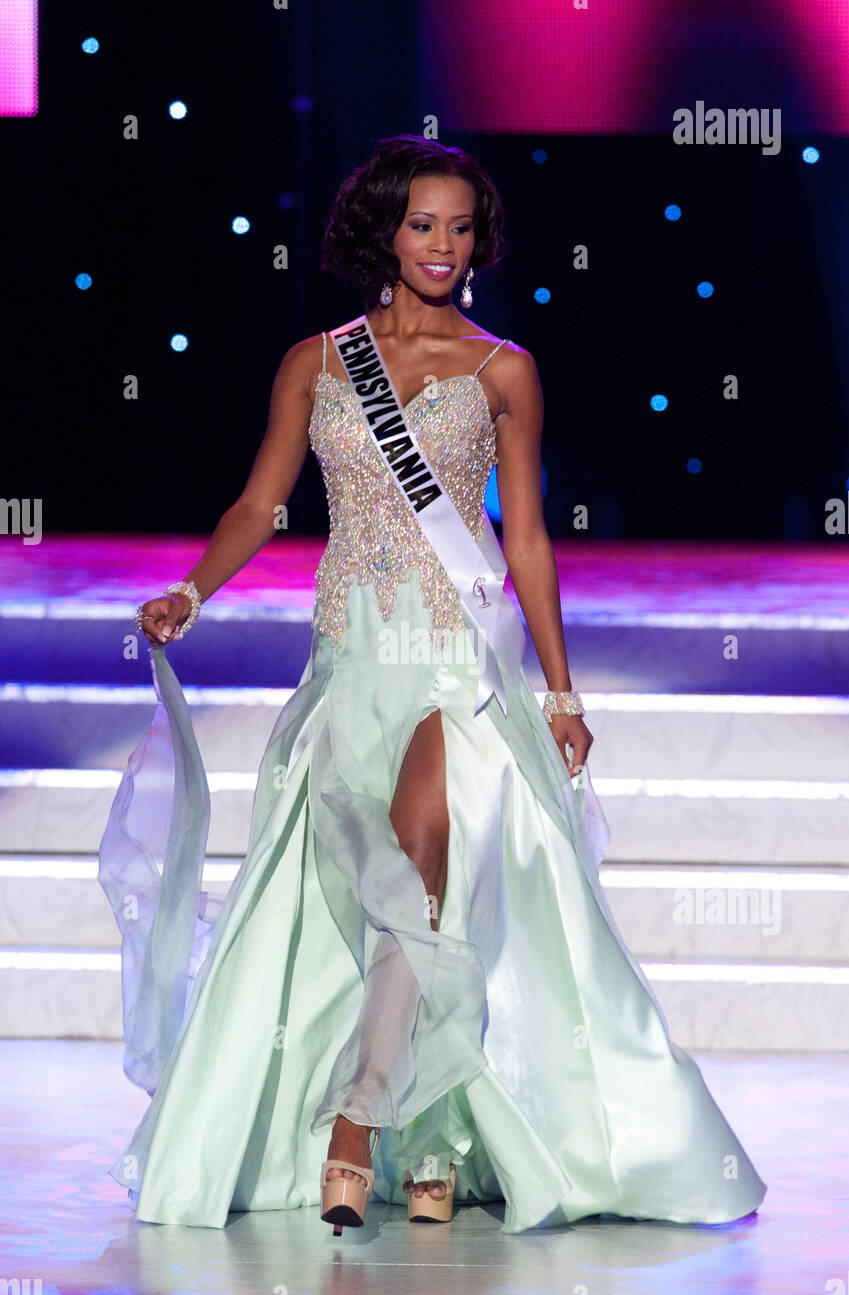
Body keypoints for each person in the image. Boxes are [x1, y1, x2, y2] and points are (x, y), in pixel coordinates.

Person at [99, 133, 766, 1236]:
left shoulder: (503, 368)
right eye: (423, 225)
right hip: (351, 664)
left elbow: (533, 541)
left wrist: (561, 694)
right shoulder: (316, 362)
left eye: (461, 227)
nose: (445, 246)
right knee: (401, 903)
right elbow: (262, 505)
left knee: (424, 853)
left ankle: (359, 1119)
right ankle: (441, 1138)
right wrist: (193, 590)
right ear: (384, 231)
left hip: (458, 664)